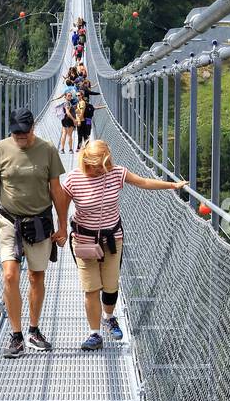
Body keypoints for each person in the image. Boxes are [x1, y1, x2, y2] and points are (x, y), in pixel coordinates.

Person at [60, 139, 187, 350]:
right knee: (91, 288)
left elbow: (143, 182)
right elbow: (61, 203)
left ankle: (109, 317)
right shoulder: (74, 179)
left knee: (110, 287)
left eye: (104, 167)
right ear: (87, 162)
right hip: (83, 240)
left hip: (112, 239)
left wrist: (172, 185)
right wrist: (61, 229)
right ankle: (94, 334)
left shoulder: (116, 173)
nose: (100, 171)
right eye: (96, 167)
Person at [0, 108, 69, 358]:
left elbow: (57, 190)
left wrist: (63, 226)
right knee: (10, 276)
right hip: (8, 220)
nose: (20, 136)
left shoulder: (48, 149)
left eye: (24, 131)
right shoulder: (0, 148)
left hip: (39, 221)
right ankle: (16, 335)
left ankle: (33, 329)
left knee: (35, 277)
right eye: (15, 132)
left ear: (33, 128)